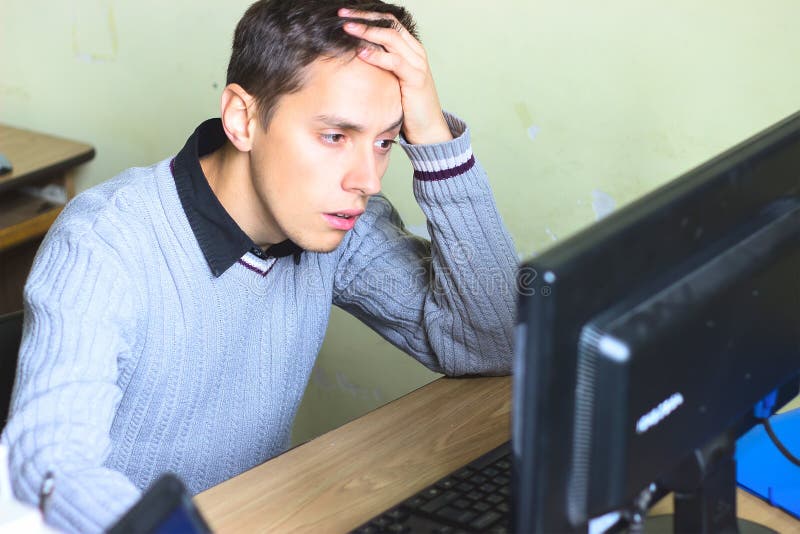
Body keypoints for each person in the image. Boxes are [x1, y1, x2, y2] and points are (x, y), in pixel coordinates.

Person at [1, 0, 518, 531]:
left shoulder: (341, 224)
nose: (367, 179)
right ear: (242, 119)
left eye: (385, 141)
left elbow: (495, 344)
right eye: (335, 136)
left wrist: (433, 139)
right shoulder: (104, 242)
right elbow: (54, 465)